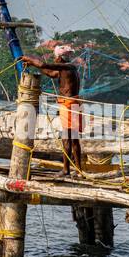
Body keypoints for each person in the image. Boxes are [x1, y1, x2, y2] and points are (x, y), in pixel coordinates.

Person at [20, 44, 83, 175]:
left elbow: (43, 65)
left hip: (68, 105)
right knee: (74, 138)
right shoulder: (67, 68)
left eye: (55, 58)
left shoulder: (67, 66)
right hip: (74, 103)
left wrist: (29, 58)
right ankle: (78, 170)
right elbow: (51, 73)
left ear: (59, 58)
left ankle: (66, 169)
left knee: (67, 138)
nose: (54, 61)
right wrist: (32, 65)